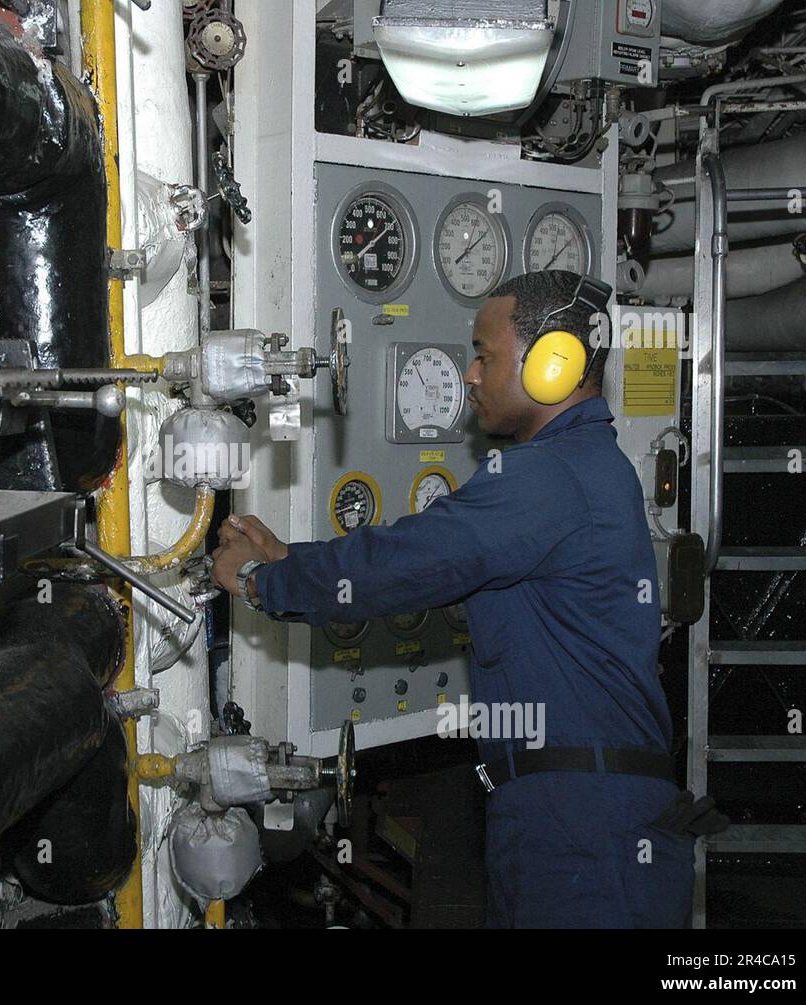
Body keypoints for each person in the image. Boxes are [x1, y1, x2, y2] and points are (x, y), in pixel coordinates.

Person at [211, 269, 695, 928]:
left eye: (484, 355)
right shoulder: (580, 465)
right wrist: (289, 559)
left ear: (553, 364)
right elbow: (417, 556)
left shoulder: (548, 477)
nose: (469, 375)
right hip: (567, 815)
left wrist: (261, 582)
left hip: (585, 833)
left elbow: (410, 561)